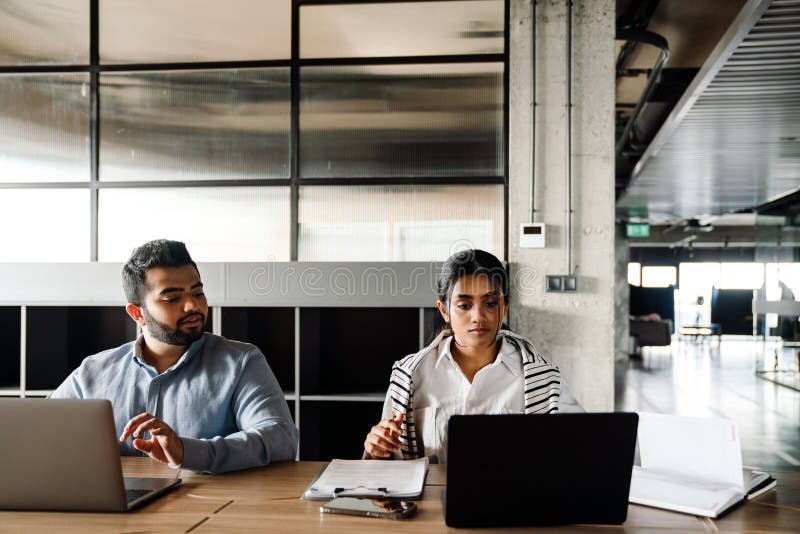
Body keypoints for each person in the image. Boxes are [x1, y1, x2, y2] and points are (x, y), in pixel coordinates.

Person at [50, 239, 298, 474]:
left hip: (208, 508)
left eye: (198, 293)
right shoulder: (93, 372)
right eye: (172, 298)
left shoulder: (241, 362)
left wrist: (186, 451)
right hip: (112, 508)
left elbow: (279, 438)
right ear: (137, 313)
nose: (192, 306)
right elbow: (39, 429)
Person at [364, 249, 582, 463]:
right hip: (430, 499)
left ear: (504, 305)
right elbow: (386, 462)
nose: (478, 316)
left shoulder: (543, 378)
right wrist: (377, 450)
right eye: (464, 305)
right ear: (444, 310)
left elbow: (584, 447)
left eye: (490, 303)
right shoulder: (409, 375)